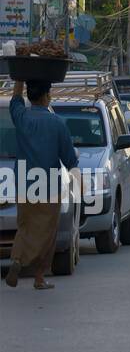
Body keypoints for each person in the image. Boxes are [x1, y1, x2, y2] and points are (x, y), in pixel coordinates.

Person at [4, 79, 78, 290]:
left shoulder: (21, 117)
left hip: (24, 184)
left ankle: (17, 259)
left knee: (25, 227)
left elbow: (15, 99)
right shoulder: (58, 124)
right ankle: (39, 277)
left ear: (30, 96)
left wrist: (19, 77)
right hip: (49, 186)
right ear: (47, 96)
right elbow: (70, 159)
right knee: (47, 232)